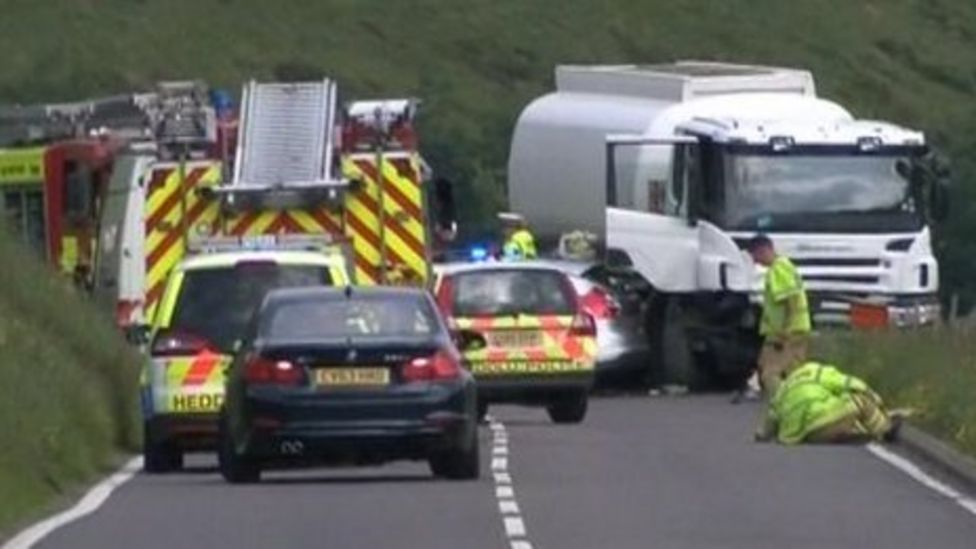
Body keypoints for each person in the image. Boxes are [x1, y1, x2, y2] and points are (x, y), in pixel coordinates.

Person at [757, 361, 903, 444]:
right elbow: (853, 384)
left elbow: (771, 419)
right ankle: (884, 430)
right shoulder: (819, 372)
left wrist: (762, 435)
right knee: (859, 400)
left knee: (835, 408)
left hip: (803, 435)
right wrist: (879, 403)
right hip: (824, 418)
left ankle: (845, 432)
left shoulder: (784, 388)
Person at [745, 234, 811, 398]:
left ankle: (783, 402)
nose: (756, 262)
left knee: (770, 374)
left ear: (763, 250)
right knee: (792, 371)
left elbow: (791, 300)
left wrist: (785, 332)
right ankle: (798, 400)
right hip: (795, 329)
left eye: (755, 256)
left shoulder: (778, 269)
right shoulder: (786, 265)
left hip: (785, 332)